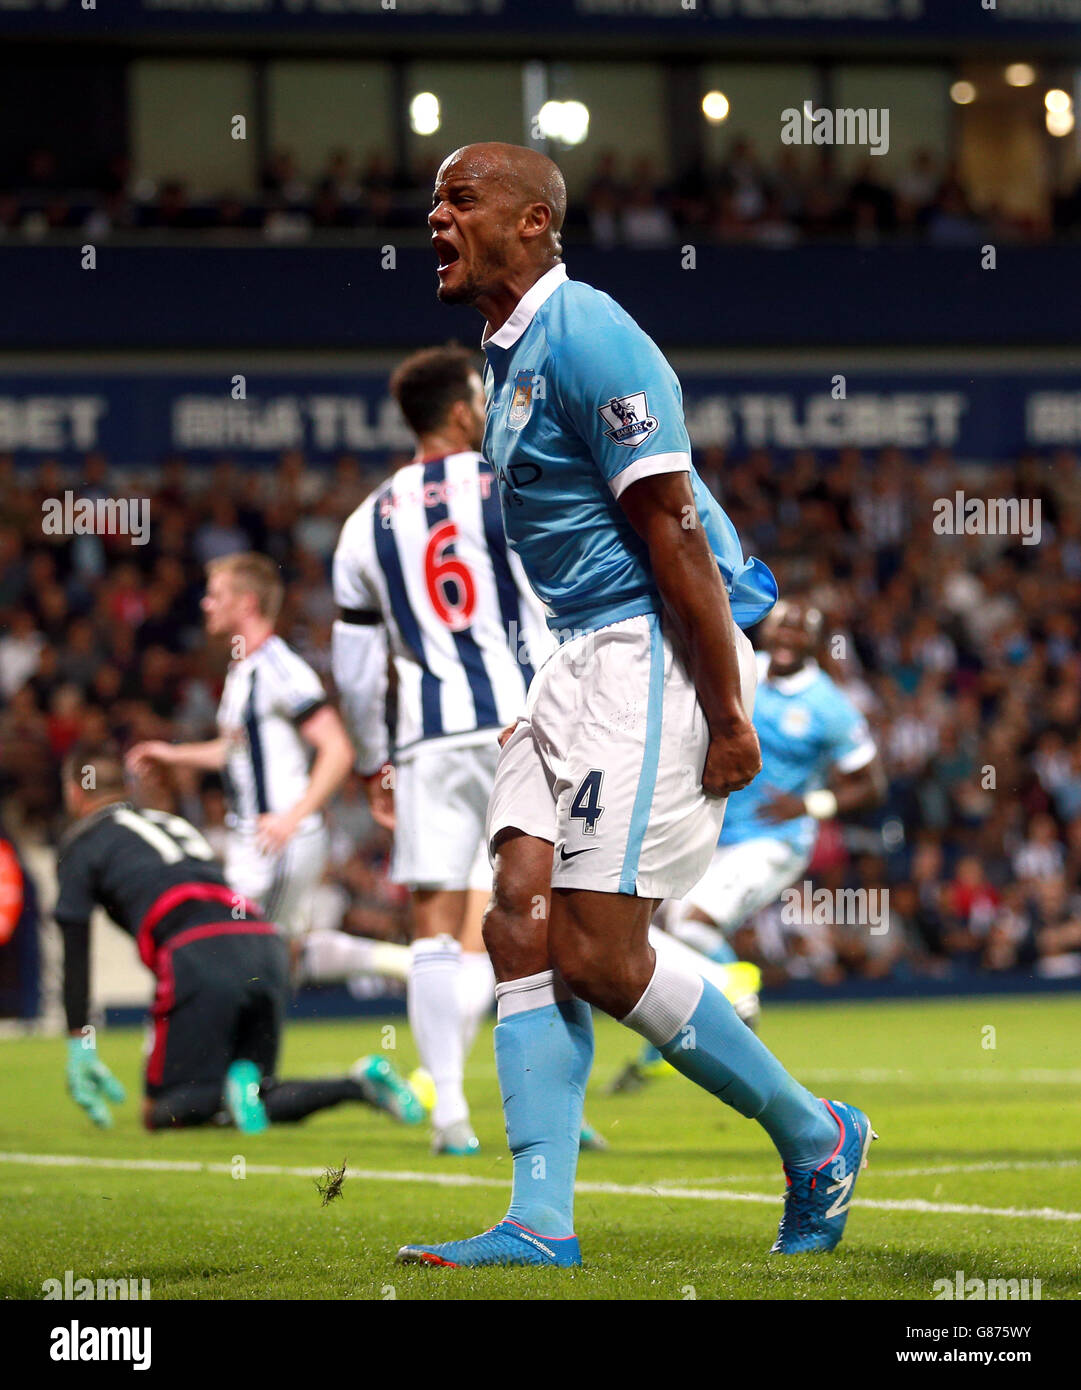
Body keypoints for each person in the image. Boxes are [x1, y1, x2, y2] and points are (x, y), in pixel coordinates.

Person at [397, 142, 874, 1267]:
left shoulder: (590, 334)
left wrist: (728, 709)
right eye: (431, 201)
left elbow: (674, 533)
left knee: (601, 954)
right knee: (513, 915)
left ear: (531, 223)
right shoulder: (508, 355)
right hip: (571, 660)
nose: (435, 219)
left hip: (645, 658)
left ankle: (814, 1135)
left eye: (460, 200)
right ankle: (538, 1221)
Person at [332, 345, 584, 1156]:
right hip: (525, 725)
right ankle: (552, 1112)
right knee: (546, 912)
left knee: (436, 926)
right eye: (481, 397)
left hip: (430, 737)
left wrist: (378, 758)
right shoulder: (508, 485)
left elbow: (357, 665)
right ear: (459, 409)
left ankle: (448, 1115)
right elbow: (558, 598)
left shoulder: (364, 520)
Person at [55, 741, 422, 1132]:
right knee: (258, 1093)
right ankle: (357, 1086)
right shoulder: (170, 822)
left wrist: (81, 1041)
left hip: (195, 952)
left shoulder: (82, 844)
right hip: (262, 941)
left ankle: (221, 1101)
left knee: (162, 1112)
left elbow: (75, 946)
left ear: (75, 791)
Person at [610, 597, 884, 1090]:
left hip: (776, 840)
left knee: (691, 925)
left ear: (816, 644)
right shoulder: (745, 669)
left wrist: (810, 805)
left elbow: (871, 782)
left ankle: (738, 985)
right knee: (658, 928)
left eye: (799, 632)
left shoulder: (830, 706)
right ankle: (669, 1039)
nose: (786, 638)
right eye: (780, 628)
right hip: (716, 830)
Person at [127, 551, 409, 985]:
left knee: (239, 955)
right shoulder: (244, 671)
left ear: (246, 604)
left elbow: (337, 748)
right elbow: (234, 750)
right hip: (256, 839)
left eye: (215, 594)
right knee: (281, 951)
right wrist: (173, 754)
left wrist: (292, 819)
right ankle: (408, 963)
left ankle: (234, 1051)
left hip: (277, 839)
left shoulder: (280, 668)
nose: (205, 603)